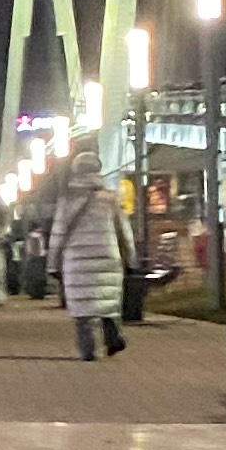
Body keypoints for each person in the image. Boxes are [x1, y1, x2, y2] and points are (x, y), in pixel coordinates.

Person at [45, 149, 130, 365]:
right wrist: (131, 256)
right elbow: (124, 231)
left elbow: (59, 233)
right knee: (107, 303)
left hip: (77, 260)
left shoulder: (67, 199)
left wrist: (53, 263)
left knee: (82, 310)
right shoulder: (110, 198)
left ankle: (87, 349)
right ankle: (113, 337)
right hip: (107, 256)